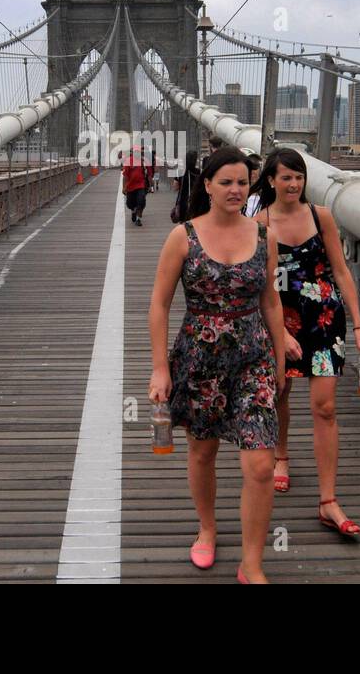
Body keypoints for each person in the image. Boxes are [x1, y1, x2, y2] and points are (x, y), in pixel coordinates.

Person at [148, 146, 300, 584]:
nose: (236, 189)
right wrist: (161, 369)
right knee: (204, 451)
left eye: (242, 181)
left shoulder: (263, 234)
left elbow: (270, 300)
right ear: (208, 186)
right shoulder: (183, 236)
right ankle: (208, 528)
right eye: (226, 182)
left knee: (260, 464)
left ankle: (252, 563)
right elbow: (158, 306)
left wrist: (276, 355)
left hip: (252, 358)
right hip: (199, 358)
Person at [256, 147, 360, 538]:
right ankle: (282, 457)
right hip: (282, 320)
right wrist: (280, 333)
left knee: (324, 407)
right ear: (271, 180)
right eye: (286, 177)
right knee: (281, 393)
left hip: (325, 320)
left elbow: (341, 271)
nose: (293, 184)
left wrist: (358, 326)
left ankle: (328, 500)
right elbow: (263, 287)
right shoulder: (259, 225)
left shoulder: (320, 216)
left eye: (299, 176)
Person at [171, 149, 199, 224]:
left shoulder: (180, 171)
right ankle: (192, 235)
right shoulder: (199, 172)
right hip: (197, 202)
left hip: (183, 202)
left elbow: (175, 187)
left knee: (185, 224)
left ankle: (188, 235)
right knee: (194, 223)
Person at [122, 148, 148, 226]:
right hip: (130, 186)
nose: (137, 153)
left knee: (141, 201)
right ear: (133, 153)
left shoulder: (143, 161)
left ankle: (138, 219)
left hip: (141, 185)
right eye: (136, 152)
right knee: (129, 204)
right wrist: (124, 187)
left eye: (139, 152)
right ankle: (134, 211)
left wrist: (150, 184)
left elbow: (148, 173)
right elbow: (125, 176)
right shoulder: (128, 161)